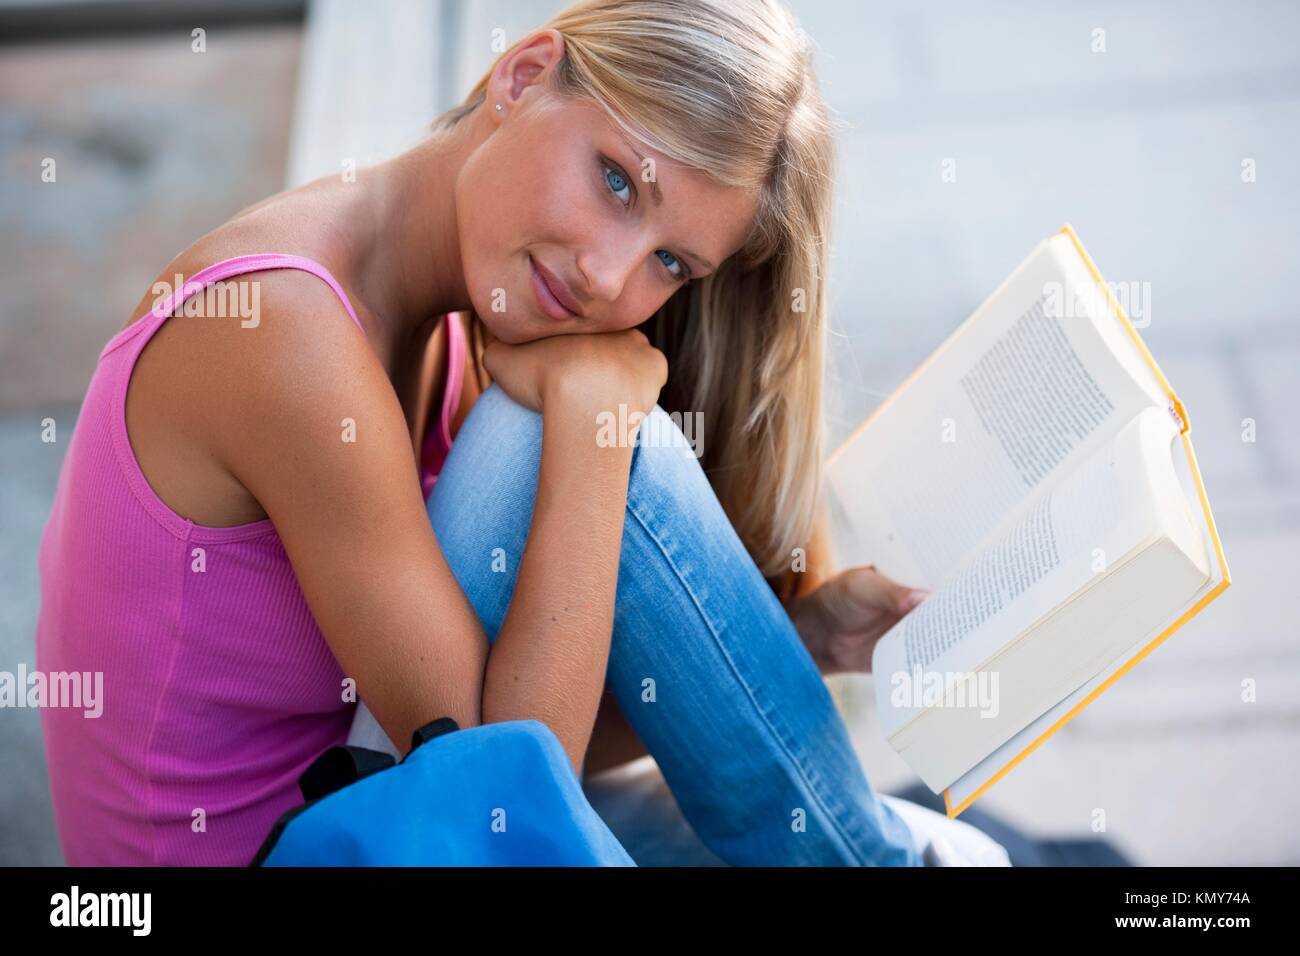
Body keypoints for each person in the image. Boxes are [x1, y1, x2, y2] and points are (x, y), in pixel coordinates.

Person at [36, 0, 1003, 866]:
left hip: (382, 812)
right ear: (523, 75)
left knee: (906, 849)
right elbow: (510, 804)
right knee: (573, 442)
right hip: (286, 851)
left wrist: (796, 637)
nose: (610, 279)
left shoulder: (467, 314)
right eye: (619, 181)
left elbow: (534, 727)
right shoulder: (282, 334)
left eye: (669, 259)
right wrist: (595, 424)